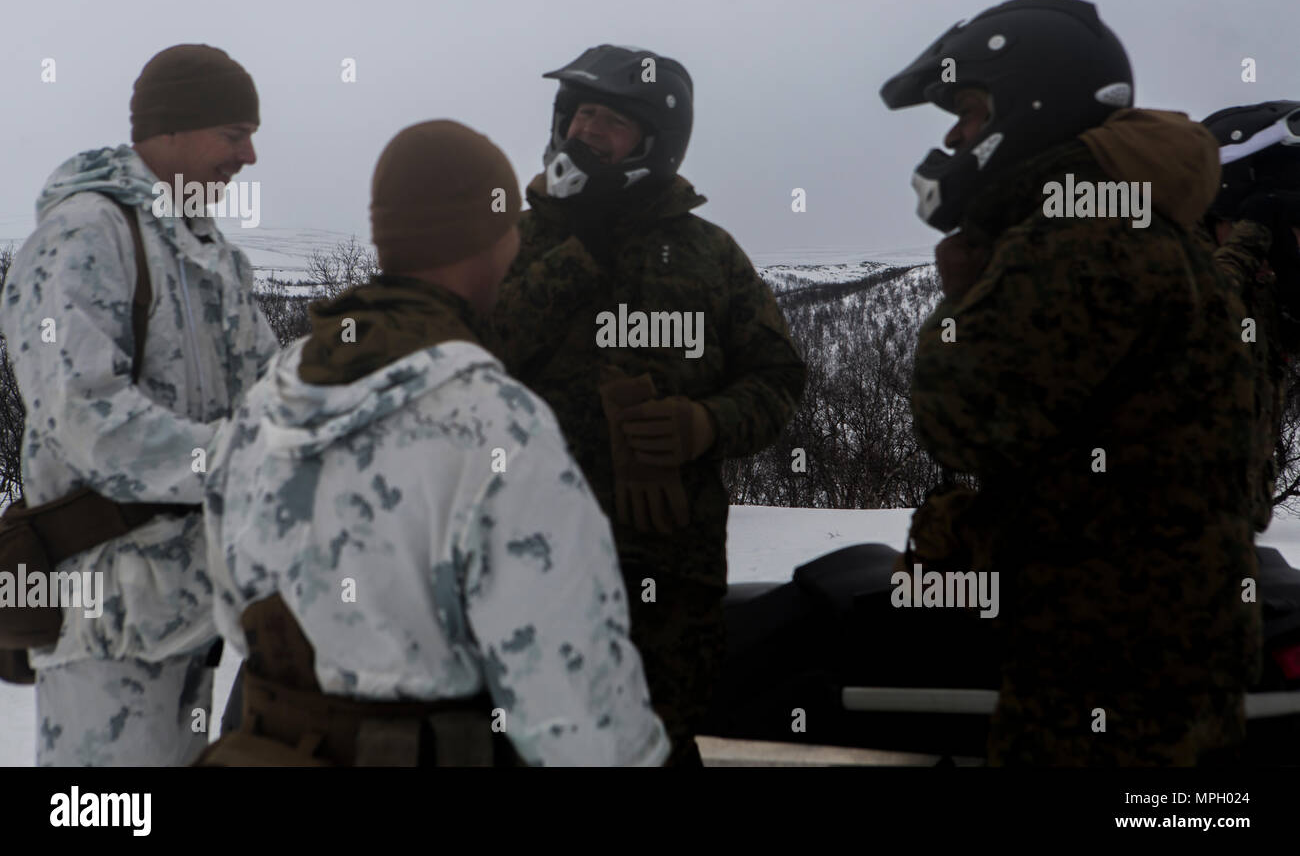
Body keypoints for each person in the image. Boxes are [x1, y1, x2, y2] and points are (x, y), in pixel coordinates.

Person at [200, 120, 669, 766]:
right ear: (490, 239)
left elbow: (233, 609)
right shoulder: (498, 425)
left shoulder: (269, 396)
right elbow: (582, 726)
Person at [881, 0, 1260, 765]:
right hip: (1161, 644)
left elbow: (957, 414)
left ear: (1030, 106)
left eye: (971, 111)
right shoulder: (1137, 223)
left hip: (1104, 662)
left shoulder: (1080, 237)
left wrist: (961, 304)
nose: (954, 137)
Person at [490, 45, 806, 766]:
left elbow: (779, 376)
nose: (587, 131)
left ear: (656, 144)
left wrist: (706, 424)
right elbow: (478, 350)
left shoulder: (709, 254)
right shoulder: (510, 236)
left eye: (612, 122)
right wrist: (580, 252)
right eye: (581, 114)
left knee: (655, 744)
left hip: (665, 576)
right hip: (519, 564)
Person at [0, 44, 278, 765]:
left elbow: (269, 395)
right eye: (233, 133)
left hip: (193, 607)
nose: (248, 155)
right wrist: (235, 463)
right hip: (106, 617)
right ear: (172, 130)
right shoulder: (85, 235)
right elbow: (84, 416)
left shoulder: (215, 256)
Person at [1203, 101, 1300, 536]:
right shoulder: (1168, 270)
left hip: (1226, 541)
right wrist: (1251, 240)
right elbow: (1197, 317)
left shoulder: (1264, 293)